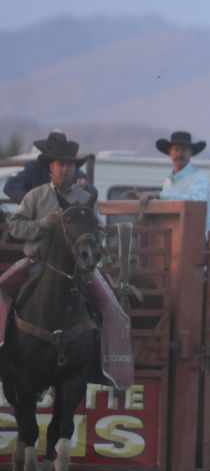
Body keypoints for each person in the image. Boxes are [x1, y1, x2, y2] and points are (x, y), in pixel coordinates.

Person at [1, 135, 133, 389]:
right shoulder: (35, 197)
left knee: (110, 306)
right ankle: (4, 351)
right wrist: (43, 224)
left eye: (70, 165)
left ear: (75, 168)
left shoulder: (85, 198)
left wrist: (89, 242)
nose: (66, 169)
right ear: (51, 167)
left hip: (79, 269)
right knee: (2, 292)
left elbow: (98, 229)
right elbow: (16, 227)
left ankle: (104, 365)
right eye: (61, 164)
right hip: (36, 262)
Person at [125, 131, 210, 236]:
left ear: (190, 153)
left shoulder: (199, 177)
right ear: (170, 152)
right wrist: (146, 206)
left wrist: (158, 195)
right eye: (176, 149)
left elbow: (196, 201)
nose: (180, 154)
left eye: (184, 150)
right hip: (174, 238)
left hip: (197, 239)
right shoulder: (168, 182)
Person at [3, 131, 98, 204]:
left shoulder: (72, 171)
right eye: (60, 163)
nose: (65, 168)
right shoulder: (33, 168)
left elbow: (92, 191)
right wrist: (33, 203)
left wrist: (86, 186)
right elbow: (11, 186)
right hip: (36, 217)